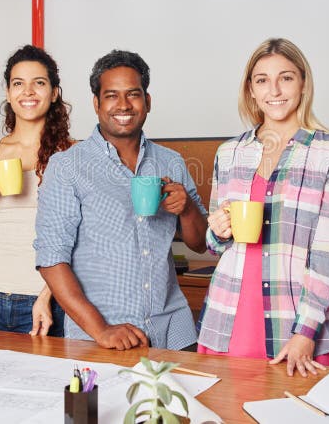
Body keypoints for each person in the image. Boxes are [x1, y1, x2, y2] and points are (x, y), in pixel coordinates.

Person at [196, 38, 329, 377]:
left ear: (303, 83)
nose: (274, 90)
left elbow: (327, 253)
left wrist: (306, 332)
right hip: (231, 314)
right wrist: (218, 230)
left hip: (296, 318)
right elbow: (213, 244)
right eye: (262, 80)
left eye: (286, 77)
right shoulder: (230, 153)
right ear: (250, 89)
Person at [34, 49, 208, 350]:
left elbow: (201, 243)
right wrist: (101, 330)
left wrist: (188, 209)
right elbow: (51, 260)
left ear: (147, 101)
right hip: (101, 336)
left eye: (133, 94)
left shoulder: (172, 162)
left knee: (188, 398)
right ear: (97, 103)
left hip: (175, 331)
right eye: (112, 95)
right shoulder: (67, 167)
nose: (124, 105)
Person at [0, 45, 72, 336]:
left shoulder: (74, 154)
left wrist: (48, 294)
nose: (28, 92)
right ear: (9, 94)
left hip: (45, 297)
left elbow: (83, 239)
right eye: (18, 84)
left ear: (54, 92)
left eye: (39, 82)